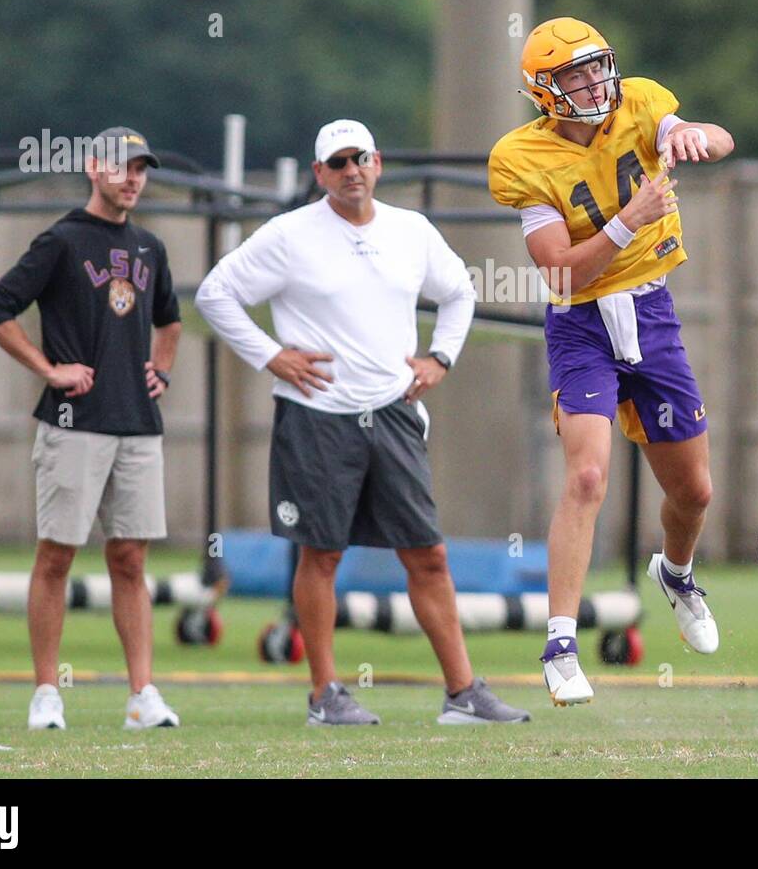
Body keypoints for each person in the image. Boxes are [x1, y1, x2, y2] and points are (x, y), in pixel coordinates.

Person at [195, 118, 529, 726]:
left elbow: (459, 292)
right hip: (317, 417)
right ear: (319, 173)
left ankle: (463, 693)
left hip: (394, 414)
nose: (353, 171)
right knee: (320, 555)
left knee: (428, 555)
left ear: (378, 164)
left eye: (362, 158)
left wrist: (440, 358)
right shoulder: (289, 235)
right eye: (339, 162)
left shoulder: (411, 230)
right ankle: (325, 695)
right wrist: (272, 355)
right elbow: (215, 293)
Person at [488, 17, 735, 705]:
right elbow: (560, 276)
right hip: (582, 324)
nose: (595, 81)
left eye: (598, 67)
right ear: (547, 90)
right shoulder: (522, 157)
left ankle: (677, 575)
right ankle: (561, 645)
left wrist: (694, 135)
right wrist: (629, 218)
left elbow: (717, 137)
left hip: (651, 313)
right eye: (576, 74)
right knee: (588, 475)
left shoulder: (640, 104)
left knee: (695, 493)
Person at [0, 127, 182, 730]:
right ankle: (47, 693)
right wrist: (48, 369)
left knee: (130, 560)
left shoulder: (150, 248)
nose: (134, 179)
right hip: (75, 423)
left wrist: (161, 371)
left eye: (142, 169)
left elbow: (170, 320)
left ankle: (142, 695)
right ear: (95, 168)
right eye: (123, 167)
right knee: (57, 556)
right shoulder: (63, 241)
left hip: (138, 425)